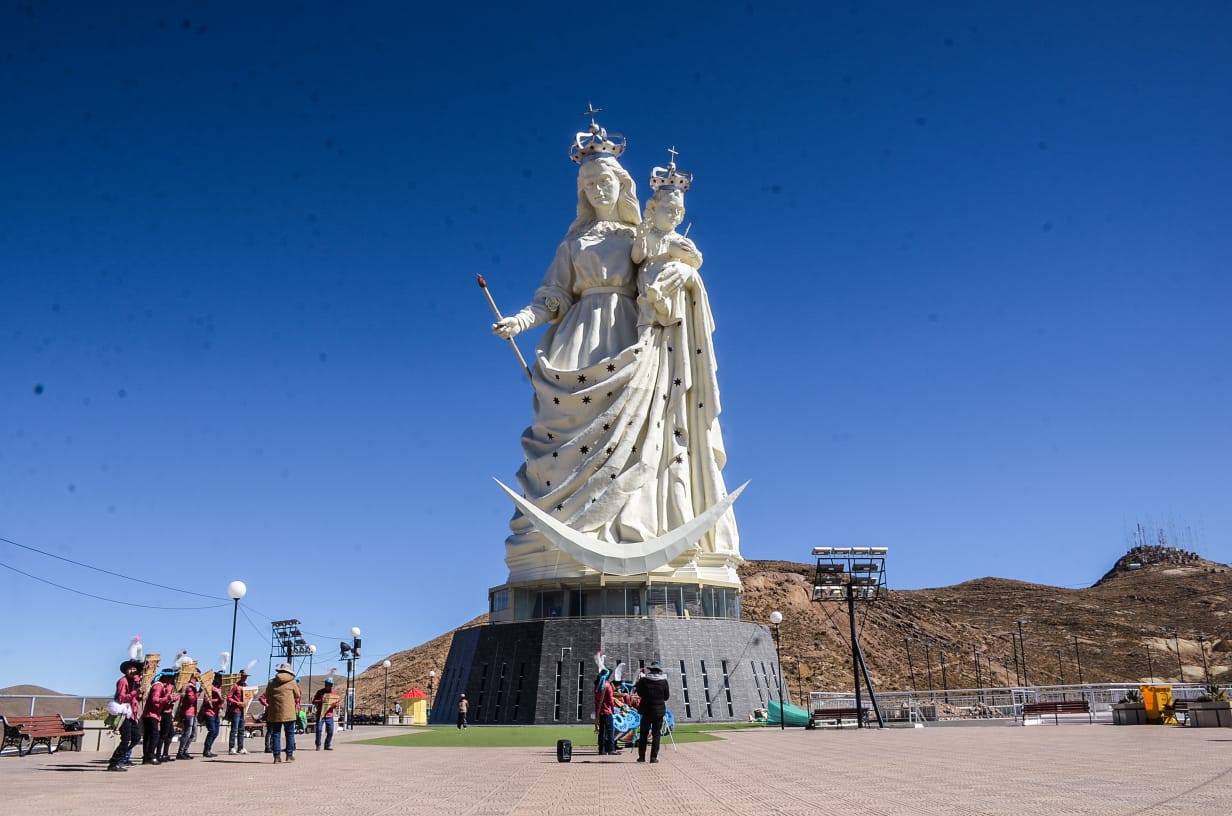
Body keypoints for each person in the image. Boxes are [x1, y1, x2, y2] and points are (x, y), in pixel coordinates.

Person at [491, 122, 739, 587]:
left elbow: (668, 271)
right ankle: (560, 545)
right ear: (582, 192)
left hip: (627, 337)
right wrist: (520, 322)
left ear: (621, 185)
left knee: (636, 434)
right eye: (589, 185)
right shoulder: (573, 243)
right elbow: (552, 295)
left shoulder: (637, 239)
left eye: (606, 181)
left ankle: (630, 527)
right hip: (576, 339)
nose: (599, 189)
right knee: (564, 437)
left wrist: (680, 278)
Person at [106, 659, 143, 772]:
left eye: (134, 669)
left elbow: (137, 698)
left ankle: (120, 758)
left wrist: (140, 693)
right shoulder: (123, 681)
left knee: (136, 737)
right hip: (122, 713)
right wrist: (135, 692)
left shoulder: (134, 682)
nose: (132, 671)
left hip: (131, 714)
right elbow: (121, 698)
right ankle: (114, 762)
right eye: (130, 668)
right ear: (126, 670)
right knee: (126, 739)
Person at [634, 660, 670, 764]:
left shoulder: (644, 680)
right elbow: (666, 697)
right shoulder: (663, 681)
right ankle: (653, 758)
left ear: (650, 670)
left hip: (646, 710)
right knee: (656, 735)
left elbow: (639, 693)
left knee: (643, 734)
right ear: (659, 671)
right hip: (658, 711)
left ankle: (641, 757)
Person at [265, 662, 302, 763]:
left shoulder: (271, 682)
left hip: (275, 712)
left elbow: (267, 695)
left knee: (276, 733)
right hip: (289, 712)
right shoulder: (292, 682)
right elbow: (298, 695)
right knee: (289, 734)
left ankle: (276, 756)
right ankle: (289, 755)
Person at [141, 668, 174, 765]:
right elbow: (155, 700)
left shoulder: (161, 686)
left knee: (148, 736)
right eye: (170, 678)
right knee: (154, 735)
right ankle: (151, 755)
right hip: (151, 714)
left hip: (152, 714)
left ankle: (146, 757)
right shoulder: (158, 686)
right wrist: (166, 698)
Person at [175, 672, 199, 759]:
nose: (197, 680)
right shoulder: (189, 687)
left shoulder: (193, 687)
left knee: (193, 733)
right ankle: (180, 752)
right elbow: (191, 700)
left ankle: (185, 750)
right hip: (188, 713)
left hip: (193, 712)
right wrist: (198, 693)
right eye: (196, 678)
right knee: (187, 733)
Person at [312, 677, 339, 750]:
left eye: (330, 684)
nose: (328, 686)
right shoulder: (320, 692)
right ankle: (318, 745)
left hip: (329, 715)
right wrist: (321, 700)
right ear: (325, 684)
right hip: (320, 714)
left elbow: (337, 703)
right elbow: (313, 701)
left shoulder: (334, 693)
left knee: (330, 731)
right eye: (327, 684)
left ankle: (327, 745)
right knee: (319, 730)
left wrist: (335, 705)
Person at [200, 673, 224, 757]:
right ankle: (206, 750)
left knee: (216, 732)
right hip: (209, 712)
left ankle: (209, 749)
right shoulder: (210, 688)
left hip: (216, 713)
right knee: (212, 731)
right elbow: (206, 701)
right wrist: (218, 700)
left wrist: (221, 703)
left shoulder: (220, 689)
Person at [226, 669, 250, 755]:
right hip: (235, 710)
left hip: (243, 710)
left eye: (246, 677)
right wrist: (237, 703)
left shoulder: (246, 686)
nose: (245, 678)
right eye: (244, 677)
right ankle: (231, 747)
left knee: (241, 729)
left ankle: (241, 747)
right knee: (234, 729)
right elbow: (228, 697)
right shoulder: (235, 686)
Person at [595, 675, 617, 755]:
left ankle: (602, 749)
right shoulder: (607, 685)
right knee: (610, 731)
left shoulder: (597, 686)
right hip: (607, 711)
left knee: (602, 731)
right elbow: (610, 700)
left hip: (600, 711)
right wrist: (613, 708)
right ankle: (611, 749)